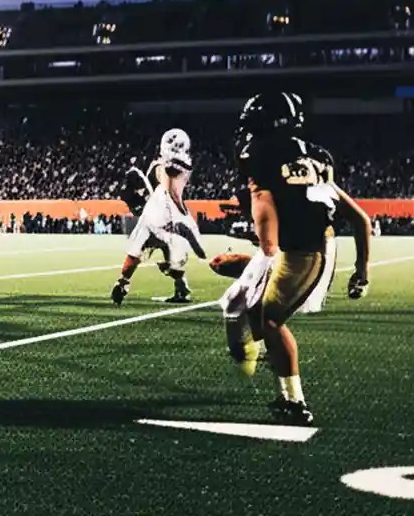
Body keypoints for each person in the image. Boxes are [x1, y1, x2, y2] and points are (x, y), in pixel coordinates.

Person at [222, 92, 371, 426]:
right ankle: (280, 382)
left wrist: (261, 253)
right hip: (311, 245)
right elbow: (360, 219)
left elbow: (264, 205)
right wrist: (361, 272)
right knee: (259, 315)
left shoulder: (258, 153)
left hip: (303, 251)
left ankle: (295, 402)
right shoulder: (316, 158)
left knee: (268, 319)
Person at [111, 129, 206, 305]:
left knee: (138, 248)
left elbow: (162, 179)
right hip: (171, 219)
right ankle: (181, 288)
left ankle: (123, 282)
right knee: (168, 255)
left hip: (156, 216)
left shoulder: (162, 167)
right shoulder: (177, 168)